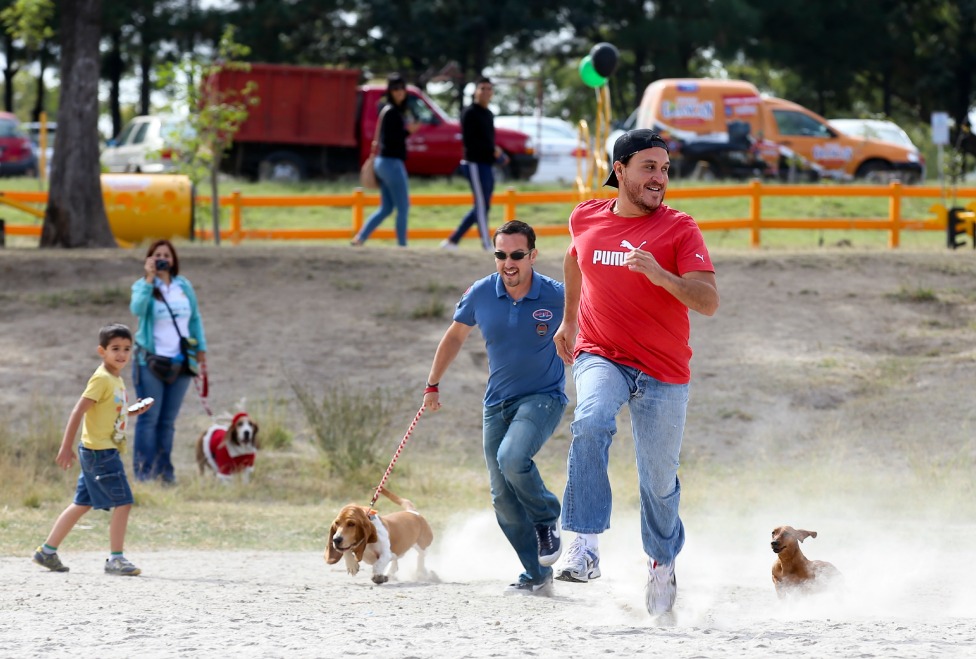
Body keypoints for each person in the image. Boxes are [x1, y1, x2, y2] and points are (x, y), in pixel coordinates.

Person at [552, 129, 720, 617]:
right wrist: (568, 320)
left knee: (658, 481)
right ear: (620, 170)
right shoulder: (585, 216)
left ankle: (662, 561)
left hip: (664, 369)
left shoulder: (680, 228)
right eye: (649, 167)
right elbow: (574, 258)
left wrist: (660, 275)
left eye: (665, 169)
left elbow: (708, 302)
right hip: (601, 353)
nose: (659, 178)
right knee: (590, 420)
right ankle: (583, 545)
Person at [424, 220, 566, 594]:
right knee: (502, 498)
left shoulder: (557, 295)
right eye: (501, 255)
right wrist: (433, 384)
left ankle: (547, 519)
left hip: (544, 397)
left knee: (512, 457)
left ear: (533, 255)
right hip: (496, 404)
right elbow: (454, 336)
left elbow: (596, 314)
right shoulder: (481, 293)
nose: (508, 263)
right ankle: (537, 574)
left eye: (517, 255)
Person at [33, 323, 153, 576]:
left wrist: (133, 411)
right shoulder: (102, 379)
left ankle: (47, 551)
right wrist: (66, 447)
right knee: (124, 502)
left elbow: (111, 413)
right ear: (102, 351)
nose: (121, 354)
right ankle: (116, 559)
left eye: (127, 349)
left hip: (99, 450)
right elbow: (78, 411)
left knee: (81, 503)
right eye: (115, 349)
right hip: (100, 453)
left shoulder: (115, 380)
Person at [130, 239, 207, 484]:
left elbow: (194, 317)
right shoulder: (143, 286)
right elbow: (138, 309)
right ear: (149, 259)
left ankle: (165, 474)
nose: (163, 258)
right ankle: (144, 474)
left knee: (168, 421)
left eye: (167, 255)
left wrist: (201, 348)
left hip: (181, 361)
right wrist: (149, 278)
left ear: (173, 259)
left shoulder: (183, 286)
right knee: (148, 418)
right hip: (150, 361)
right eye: (157, 255)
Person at [441, 76, 508, 251]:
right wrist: (491, 150)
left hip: (487, 164)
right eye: (482, 88)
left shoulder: (489, 114)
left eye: (488, 89)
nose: (485, 92)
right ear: (475, 92)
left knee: (483, 205)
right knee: (481, 204)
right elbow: (472, 142)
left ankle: (452, 241)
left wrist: (497, 153)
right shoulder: (469, 112)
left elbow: (489, 140)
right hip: (474, 163)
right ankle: (487, 244)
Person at [353, 74, 419, 247]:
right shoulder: (392, 112)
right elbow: (392, 141)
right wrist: (409, 131)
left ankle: (359, 238)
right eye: (395, 88)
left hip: (383, 163)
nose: (399, 91)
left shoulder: (389, 110)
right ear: (390, 91)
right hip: (391, 163)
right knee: (403, 207)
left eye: (402, 88)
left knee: (386, 208)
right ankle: (402, 246)